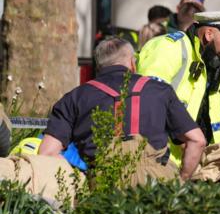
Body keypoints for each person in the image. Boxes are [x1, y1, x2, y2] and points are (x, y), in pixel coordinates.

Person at [38, 37, 206, 182]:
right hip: (157, 187)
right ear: (133, 63)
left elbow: (47, 153)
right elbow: (197, 141)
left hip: (100, 184)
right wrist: (182, 180)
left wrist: (78, 181)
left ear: (99, 66)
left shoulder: (74, 97)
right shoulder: (160, 91)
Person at [138, 11, 220, 159]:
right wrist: (182, 135)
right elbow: (150, 98)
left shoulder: (212, 61)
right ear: (209, 34)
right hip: (162, 156)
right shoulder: (171, 47)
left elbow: (211, 114)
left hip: (197, 158)